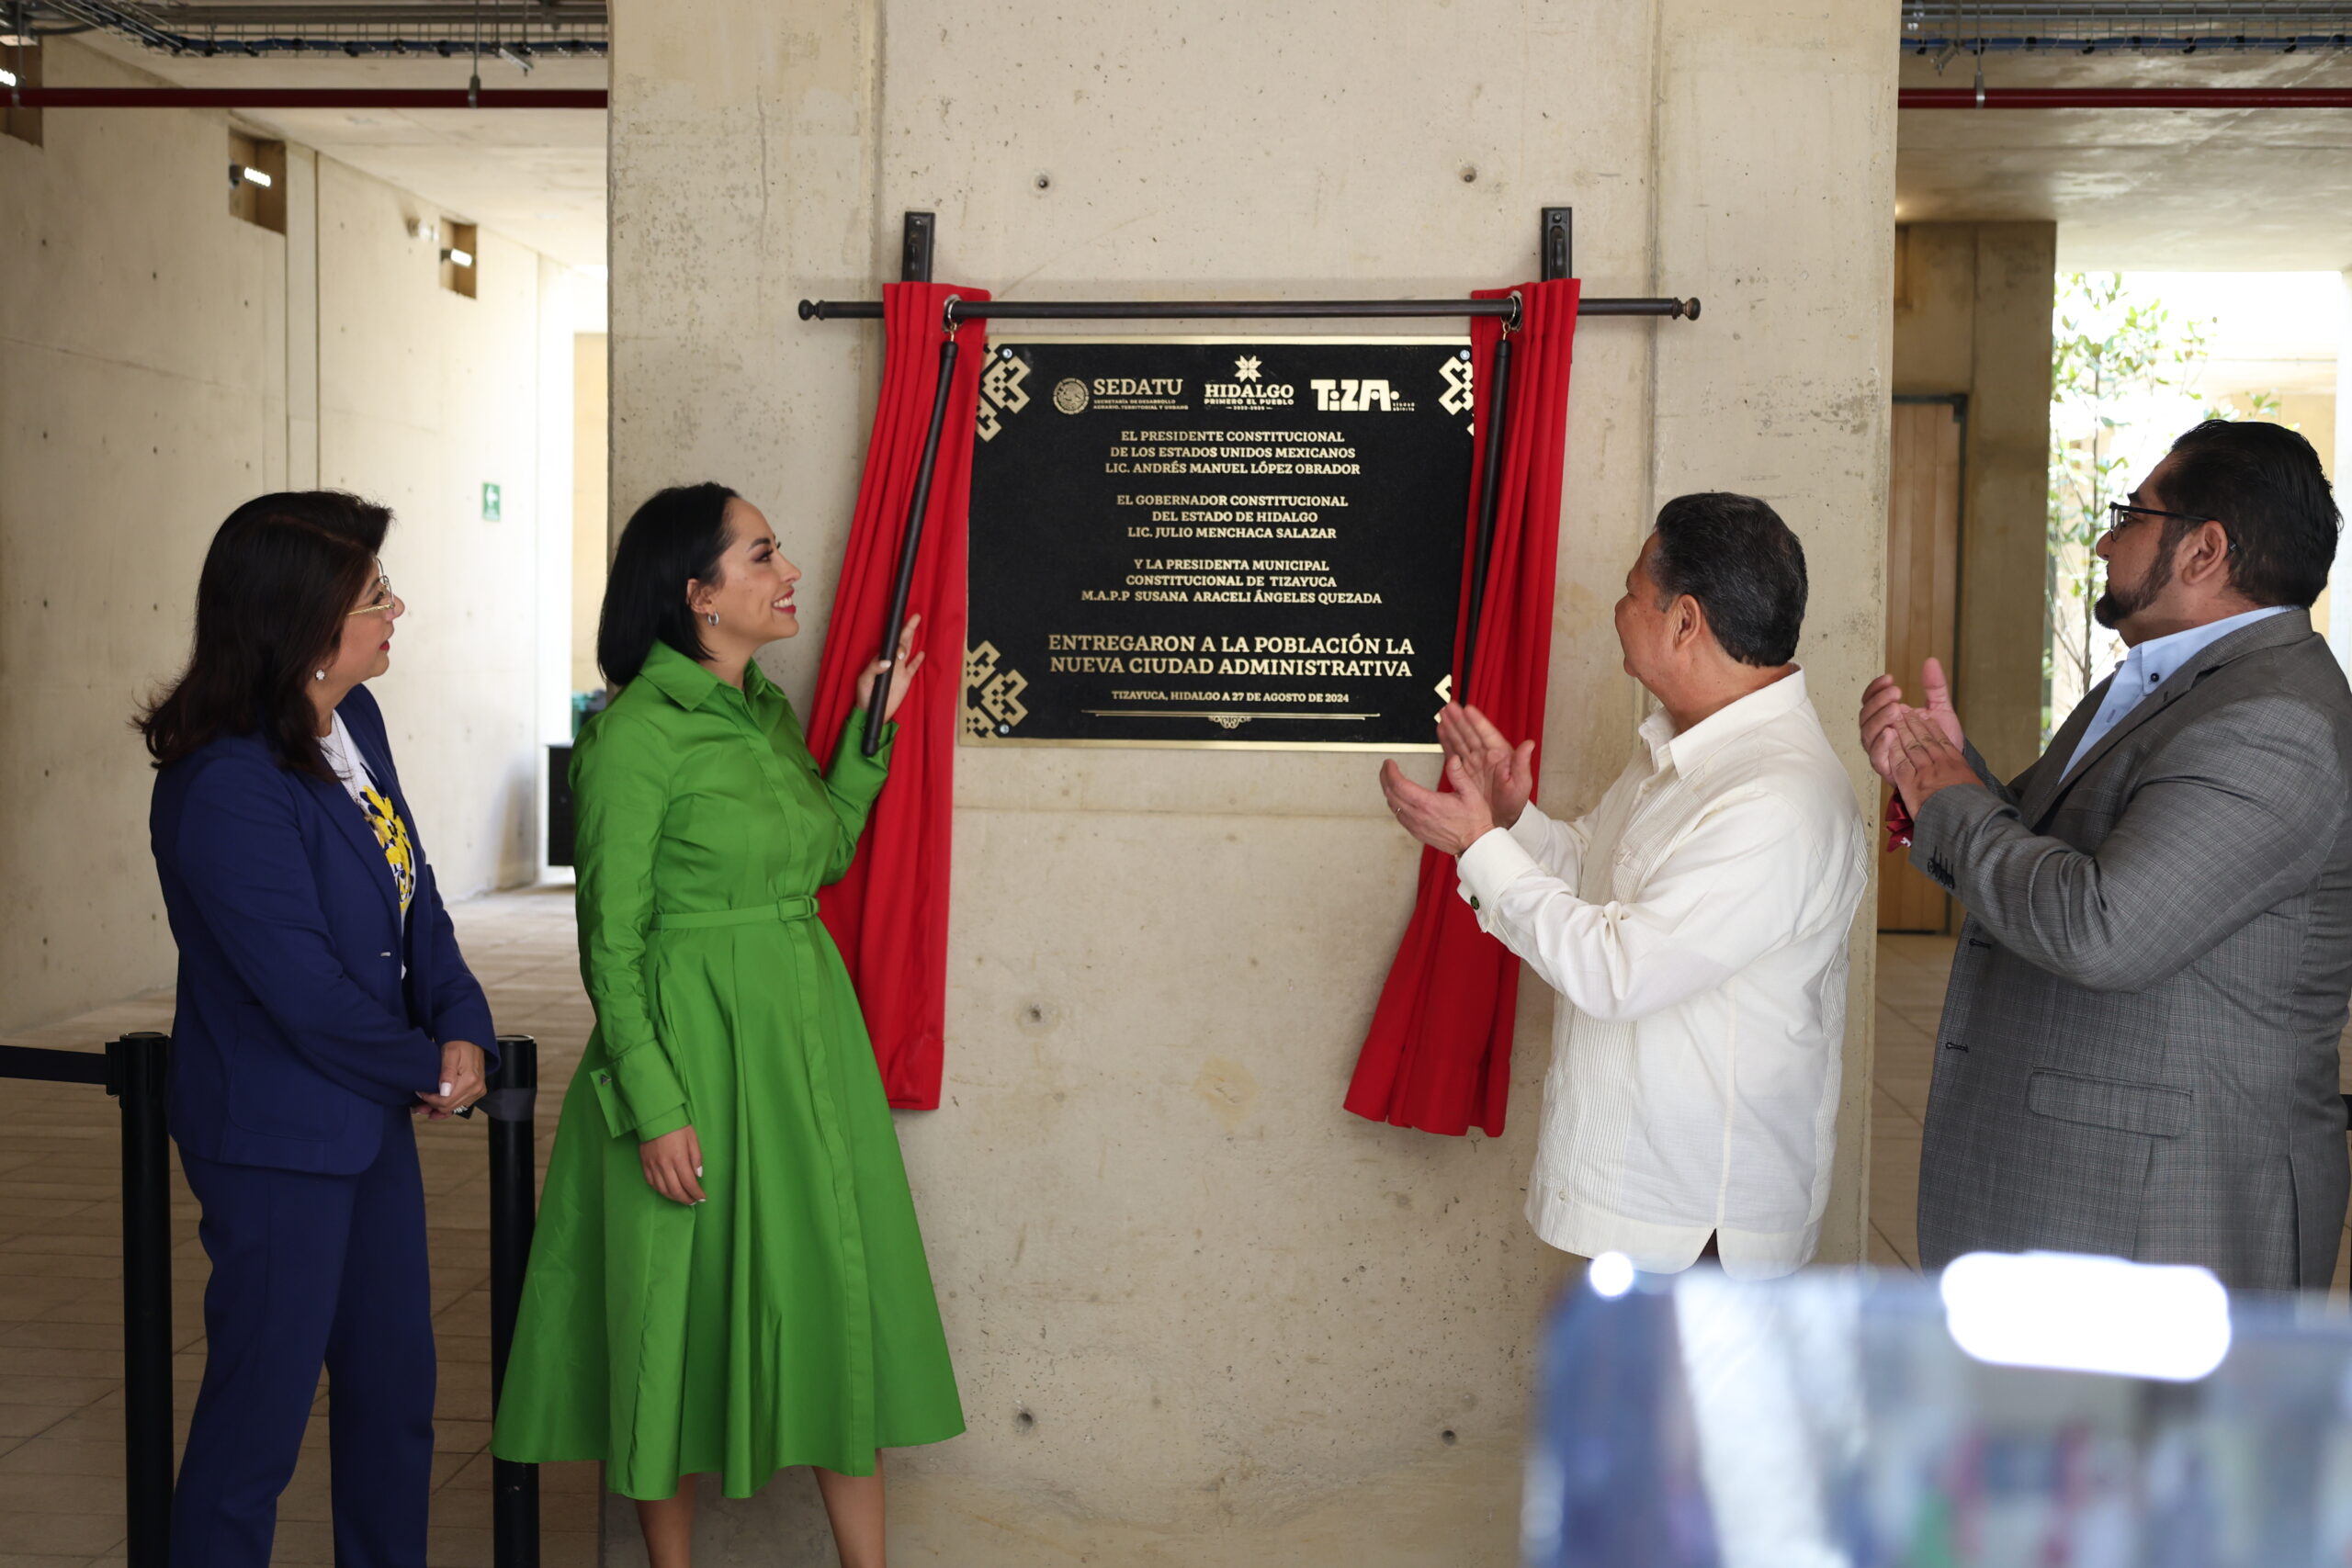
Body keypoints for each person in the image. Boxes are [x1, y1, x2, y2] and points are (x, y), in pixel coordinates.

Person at [491, 483, 963, 1568]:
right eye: (762, 554)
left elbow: (822, 854)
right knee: (676, 1313)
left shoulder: (763, 713)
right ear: (697, 594)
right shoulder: (633, 736)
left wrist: (869, 733)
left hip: (803, 1046)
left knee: (832, 1292)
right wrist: (655, 1106)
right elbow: (609, 942)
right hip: (691, 1051)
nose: (789, 572)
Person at [1866, 420, 2352, 1290]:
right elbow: (2048, 848)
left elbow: (2104, 926)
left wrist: (1950, 796)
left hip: (2159, 1214)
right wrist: (1938, 770)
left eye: (2131, 515)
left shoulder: (2274, 721)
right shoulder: (2176, 680)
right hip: (2090, 1190)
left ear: (2204, 550)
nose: (2102, 541)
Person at [141, 491, 495, 1568]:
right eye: (375, 595)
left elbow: (413, 894)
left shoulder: (354, 720)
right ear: (300, 622)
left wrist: (462, 1022)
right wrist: (426, 1064)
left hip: (364, 1122)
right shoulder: (225, 783)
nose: (397, 611)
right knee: (259, 1423)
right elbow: (300, 989)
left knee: (394, 1398)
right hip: (276, 1139)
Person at [1383, 492, 1867, 1278]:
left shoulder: (1774, 798)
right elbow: (1601, 878)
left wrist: (1477, 848)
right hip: (1653, 1212)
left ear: (1685, 621)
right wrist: (1510, 821)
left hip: (1698, 1230)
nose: (1617, 609)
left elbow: (1618, 968)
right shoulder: (1694, 744)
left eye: (1632, 590)